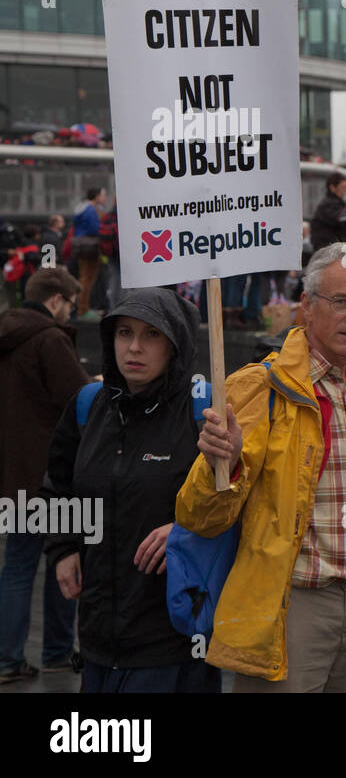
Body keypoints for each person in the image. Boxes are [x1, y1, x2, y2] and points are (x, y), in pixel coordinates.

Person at [175, 243, 346, 691]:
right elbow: (201, 517)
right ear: (306, 305)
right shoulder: (259, 386)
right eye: (341, 301)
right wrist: (221, 465)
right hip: (291, 607)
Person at [43, 288, 219, 692]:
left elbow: (237, 505)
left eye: (152, 335)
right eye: (124, 332)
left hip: (173, 641)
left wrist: (185, 530)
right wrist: (64, 546)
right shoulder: (89, 406)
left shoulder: (203, 415)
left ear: (176, 344)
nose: (135, 347)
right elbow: (57, 486)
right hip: (98, 639)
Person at [0, 267, 87, 683]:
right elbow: (78, 398)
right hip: (51, 476)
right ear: (56, 300)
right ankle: (53, 651)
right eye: (70, 305)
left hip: (12, 472)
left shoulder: (7, 333)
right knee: (62, 558)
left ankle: (9, 658)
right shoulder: (49, 339)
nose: (69, 313)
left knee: (17, 565)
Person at [70, 187, 108, 315]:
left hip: (81, 247)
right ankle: (82, 310)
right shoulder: (91, 209)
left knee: (84, 277)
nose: (104, 198)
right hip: (90, 248)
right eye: (103, 195)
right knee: (88, 279)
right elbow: (95, 229)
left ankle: (81, 308)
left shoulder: (81, 208)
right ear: (96, 196)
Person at [309, 172, 346, 251]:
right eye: (342, 187)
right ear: (332, 187)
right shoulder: (329, 205)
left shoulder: (339, 204)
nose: (345, 190)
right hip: (331, 251)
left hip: (334, 249)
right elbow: (342, 223)